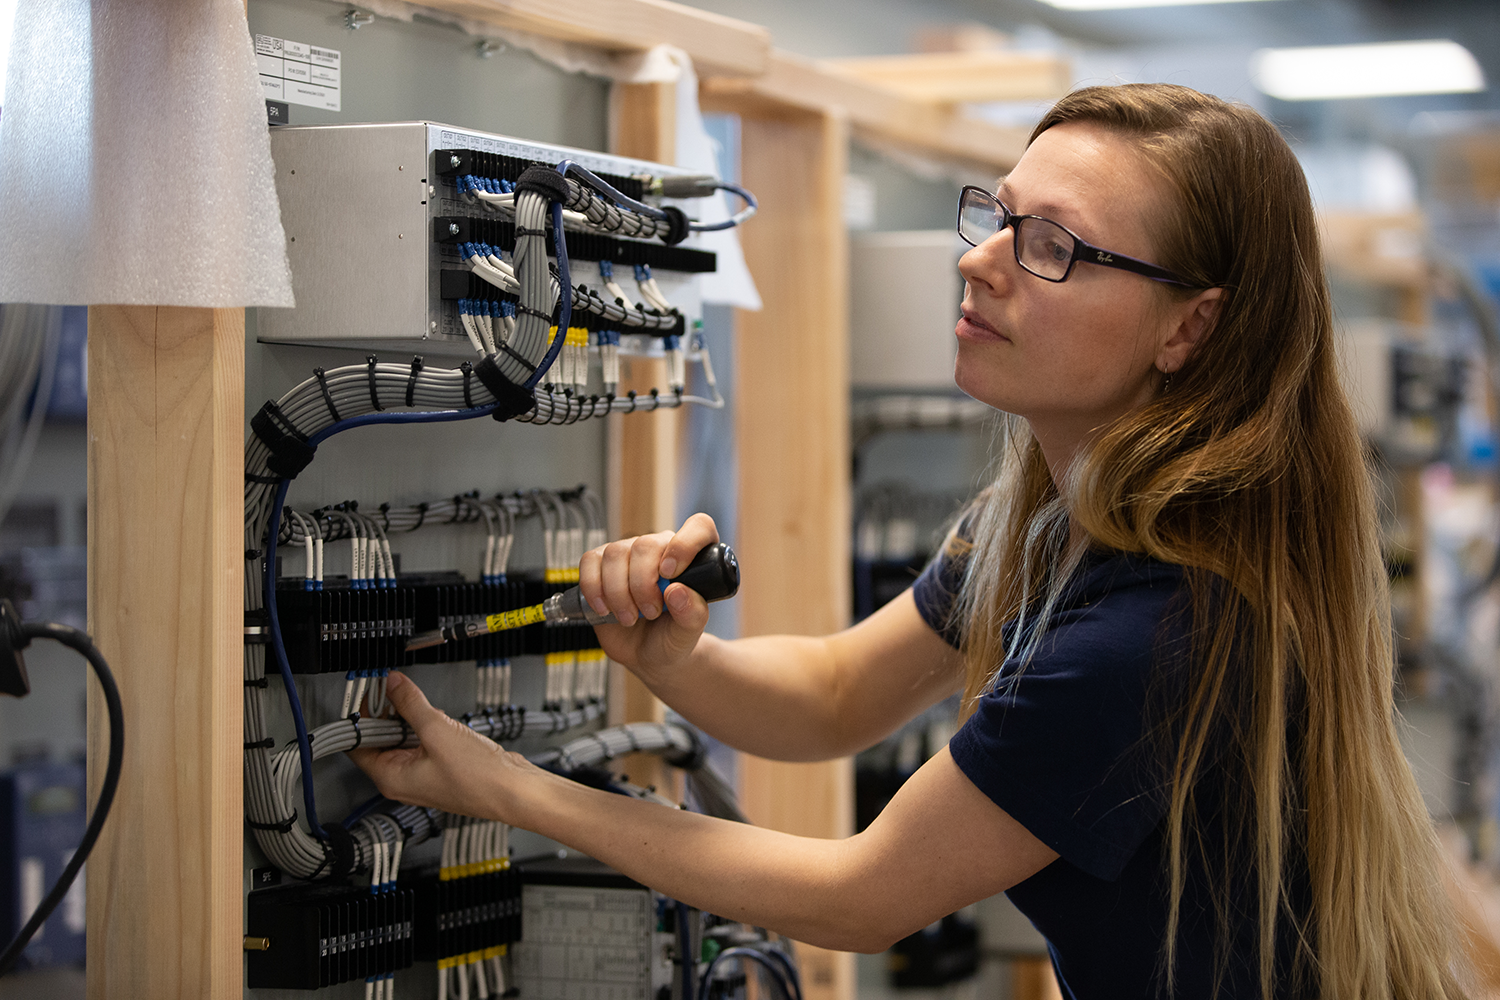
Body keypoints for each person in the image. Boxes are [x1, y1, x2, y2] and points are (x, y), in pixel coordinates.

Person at [351, 83, 1469, 999]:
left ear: (1191, 326)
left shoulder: (1157, 630)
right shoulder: (1037, 527)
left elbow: (861, 894)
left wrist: (513, 789)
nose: (980, 260)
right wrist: (679, 660)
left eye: (1056, 247)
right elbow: (838, 692)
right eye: (998, 216)